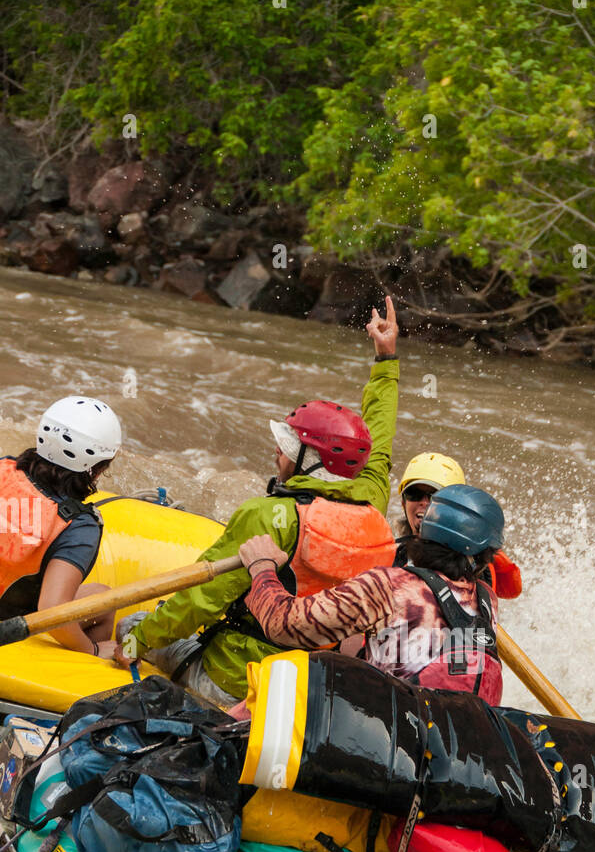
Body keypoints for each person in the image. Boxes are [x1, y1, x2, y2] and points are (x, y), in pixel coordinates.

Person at [115, 297, 401, 708]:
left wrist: (138, 641)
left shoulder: (269, 515)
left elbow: (200, 598)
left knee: (132, 623)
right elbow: (379, 437)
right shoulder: (371, 501)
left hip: (239, 680)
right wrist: (386, 361)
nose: (277, 455)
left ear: (310, 459)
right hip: (314, 685)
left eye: (286, 447)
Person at [237, 484, 507, 704]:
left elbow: (284, 625)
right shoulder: (487, 599)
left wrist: (262, 570)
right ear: (483, 557)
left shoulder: (387, 586)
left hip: (393, 740)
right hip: (456, 739)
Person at [0, 396, 122, 657]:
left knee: (99, 594)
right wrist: (92, 649)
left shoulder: (3, 467)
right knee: (105, 602)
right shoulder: (78, 525)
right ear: (98, 469)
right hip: (6, 628)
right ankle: (79, 670)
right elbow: (51, 609)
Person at [396, 452, 522, 598]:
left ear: (456, 506)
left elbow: (512, 589)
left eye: (434, 496)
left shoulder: (480, 558)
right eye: (413, 494)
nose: (423, 502)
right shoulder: (393, 554)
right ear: (403, 503)